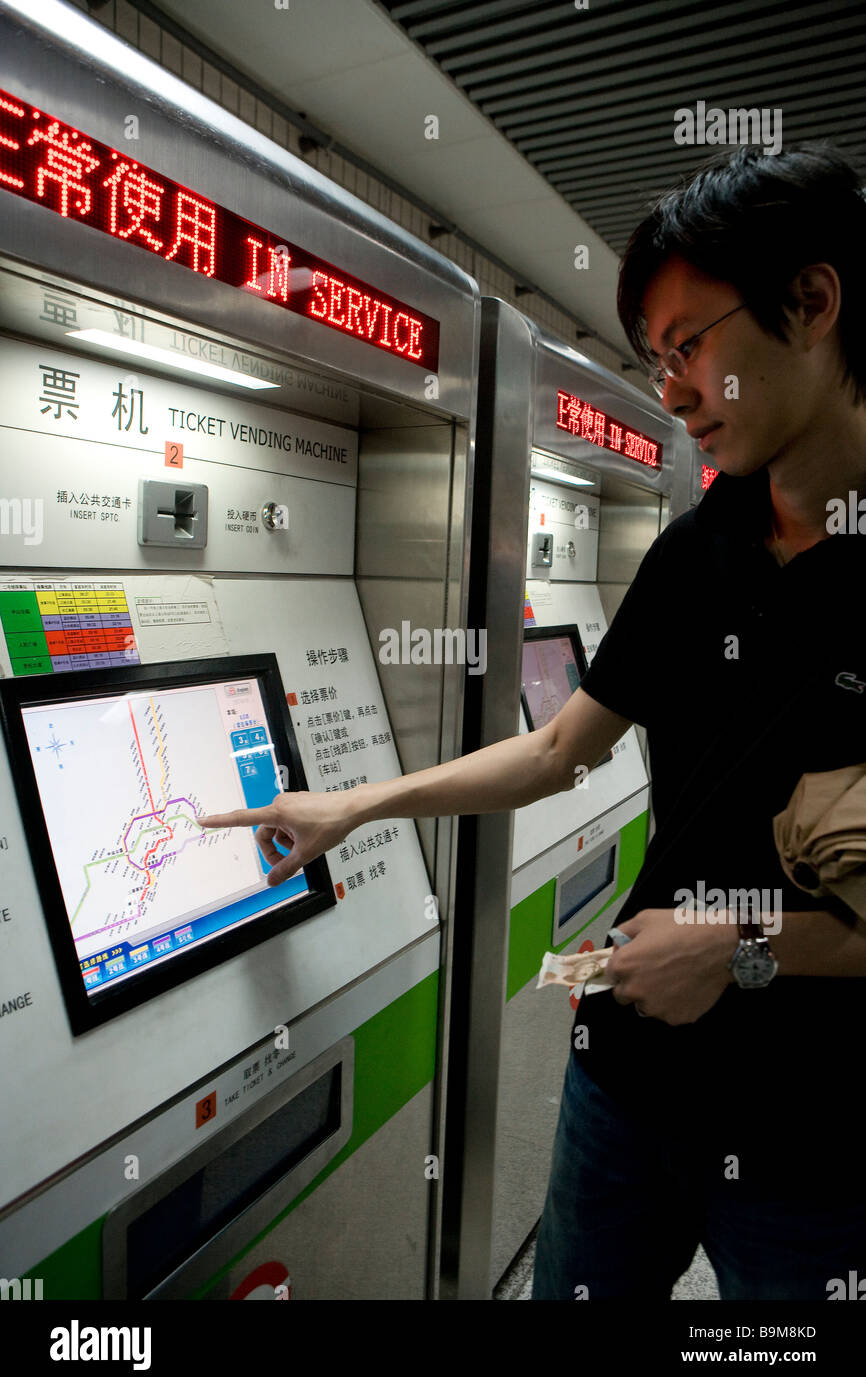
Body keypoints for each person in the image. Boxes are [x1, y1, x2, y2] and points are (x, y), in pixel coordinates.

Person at [198, 143, 866, 1300]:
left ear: (807, 303)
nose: (667, 393)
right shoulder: (695, 551)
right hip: (626, 1090)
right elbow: (561, 747)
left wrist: (743, 944)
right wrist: (354, 804)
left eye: (687, 347)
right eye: (654, 361)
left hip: (814, 1143)